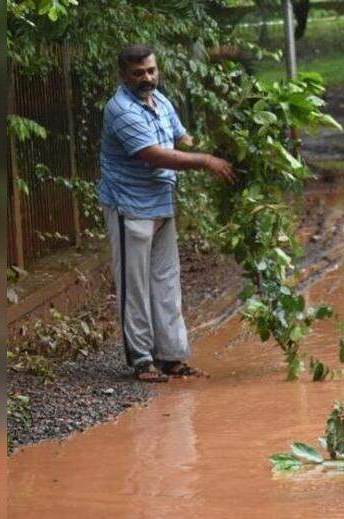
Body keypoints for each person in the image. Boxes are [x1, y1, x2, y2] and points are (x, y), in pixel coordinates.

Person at [98, 45, 235, 382]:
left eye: (151, 71)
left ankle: (171, 357)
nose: (147, 78)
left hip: (161, 204)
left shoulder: (161, 102)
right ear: (123, 74)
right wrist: (206, 161)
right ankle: (142, 361)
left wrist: (227, 143)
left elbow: (181, 139)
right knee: (135, 286)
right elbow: (155, 155)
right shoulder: (120, 110)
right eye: (138, 73)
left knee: (167, 281)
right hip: (130, 206)